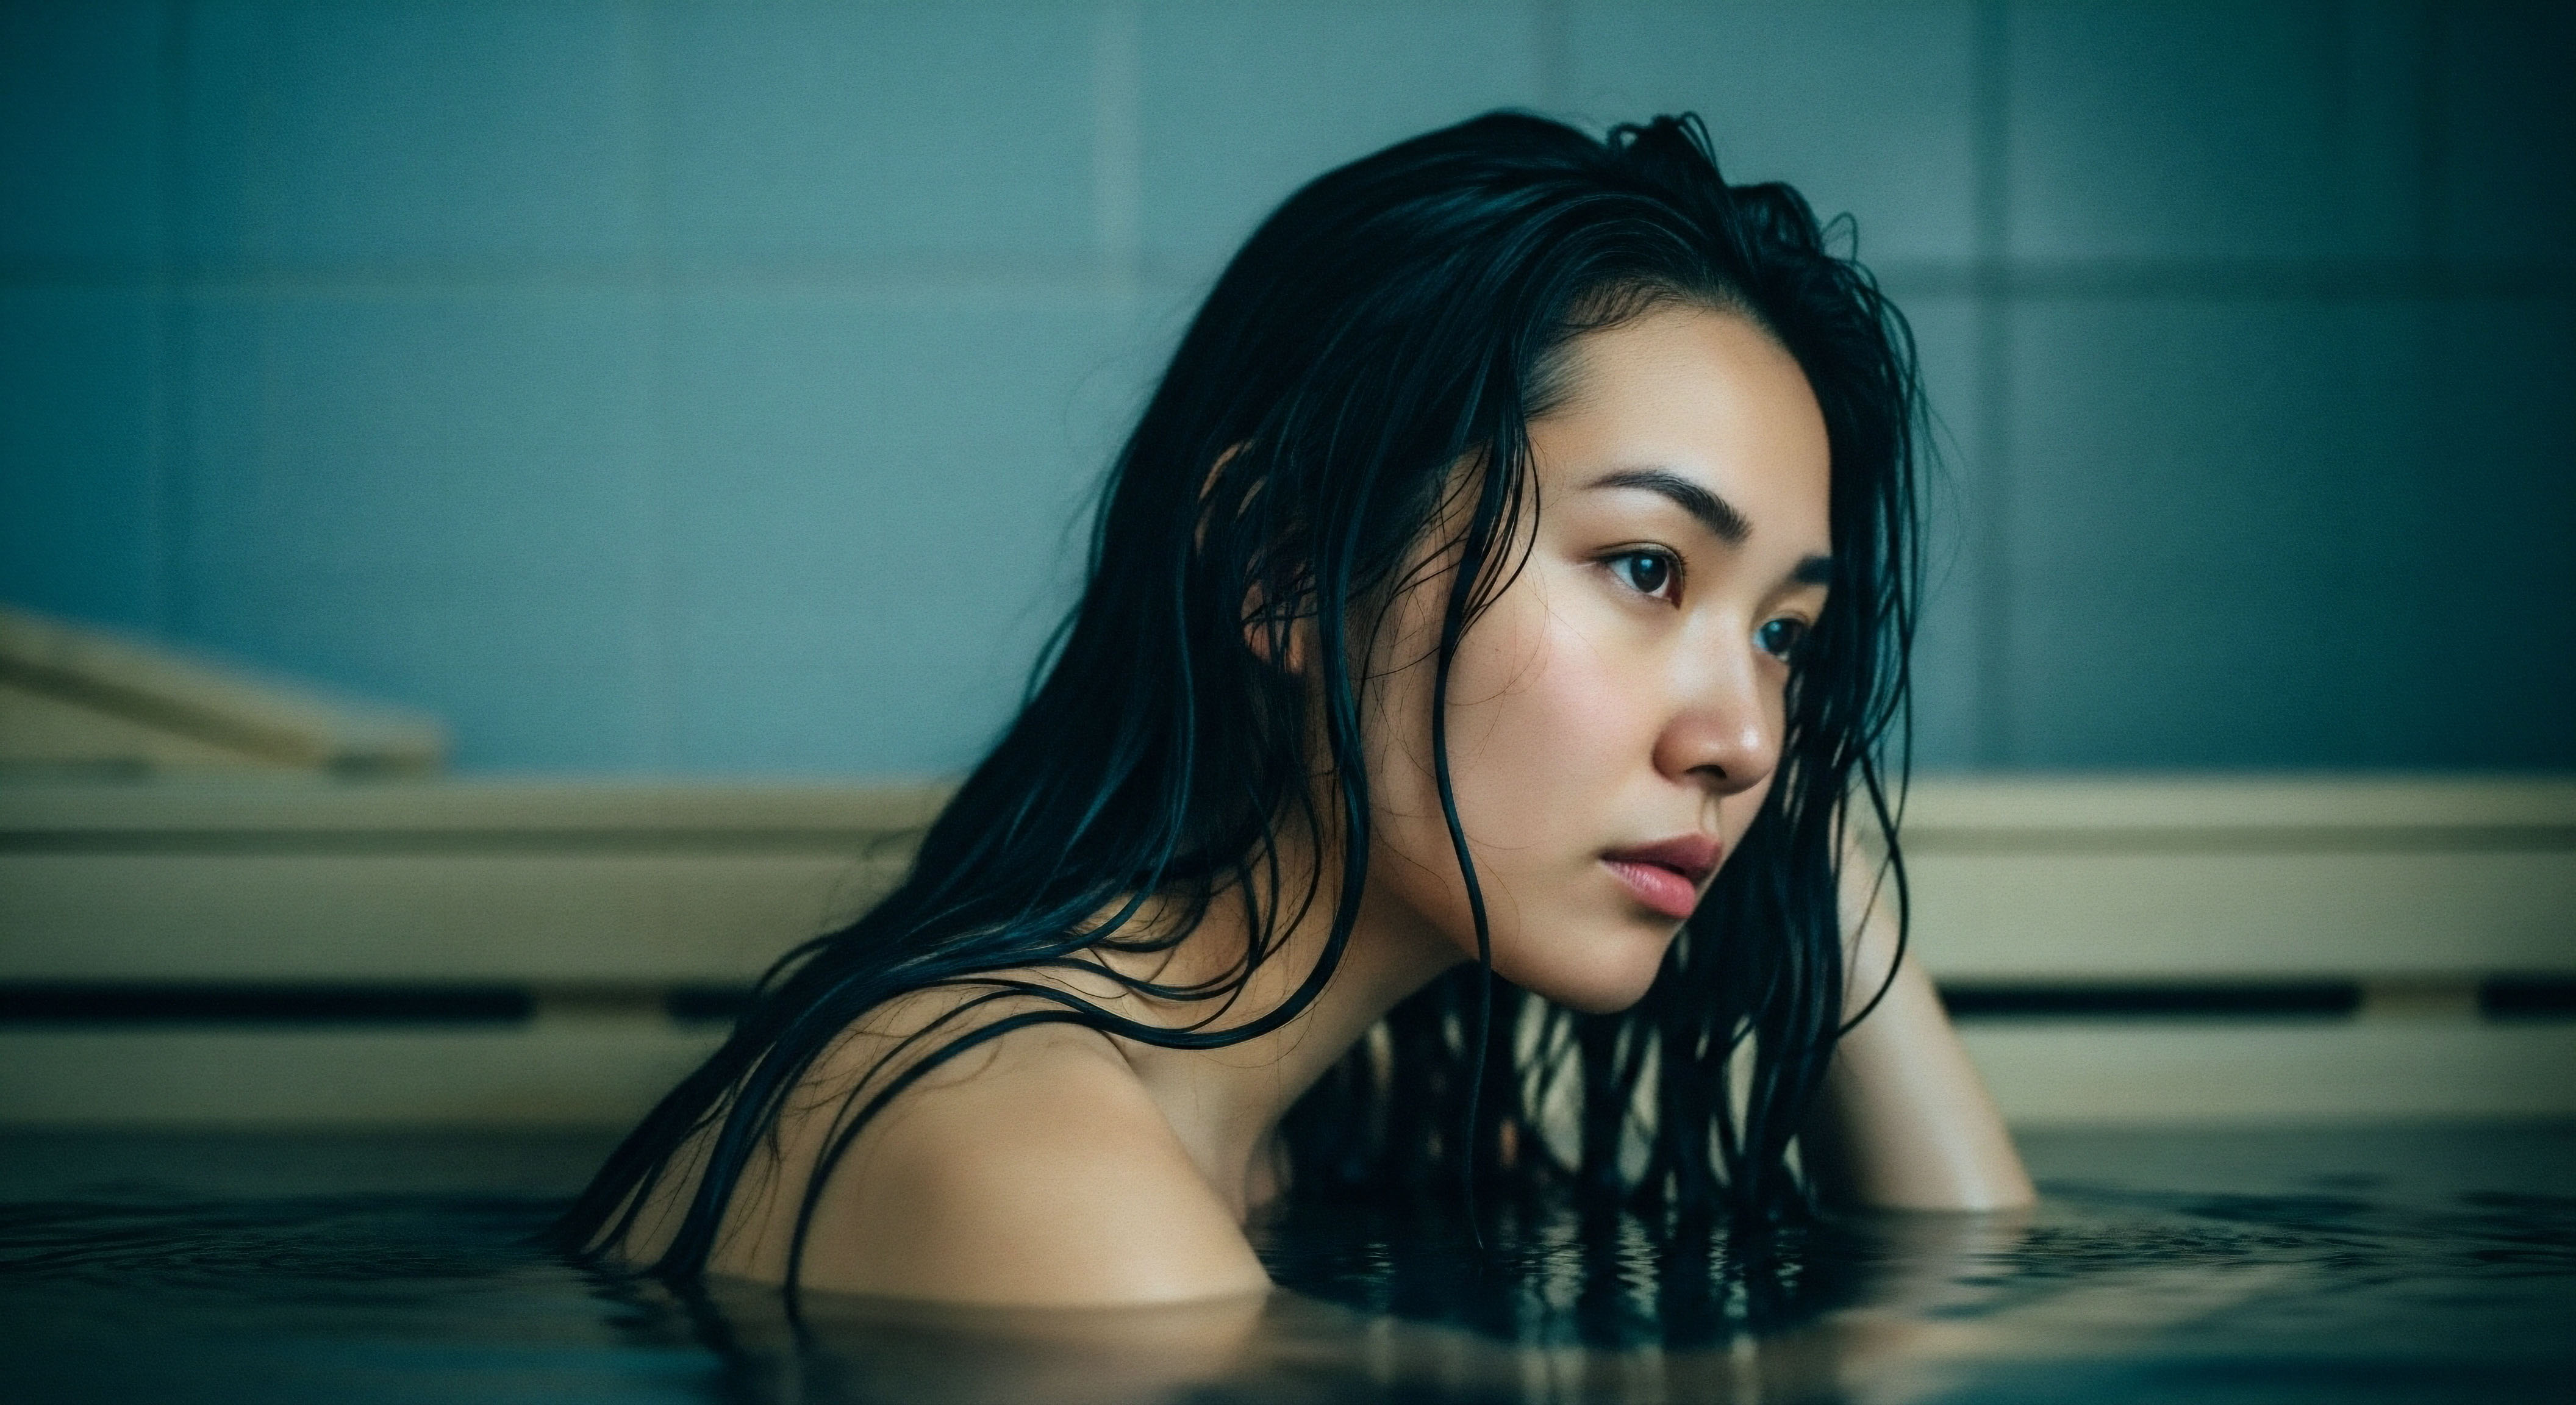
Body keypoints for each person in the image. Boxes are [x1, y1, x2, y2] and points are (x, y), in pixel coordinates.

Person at [560, 111, 2033, 1307]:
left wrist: (1793, 783)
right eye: (1647, 567)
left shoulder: (1314, 1121)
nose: (1748, 738)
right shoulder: (1038, 1168)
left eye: (1789, 633)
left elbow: (1970, 1280)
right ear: (1285, 566)